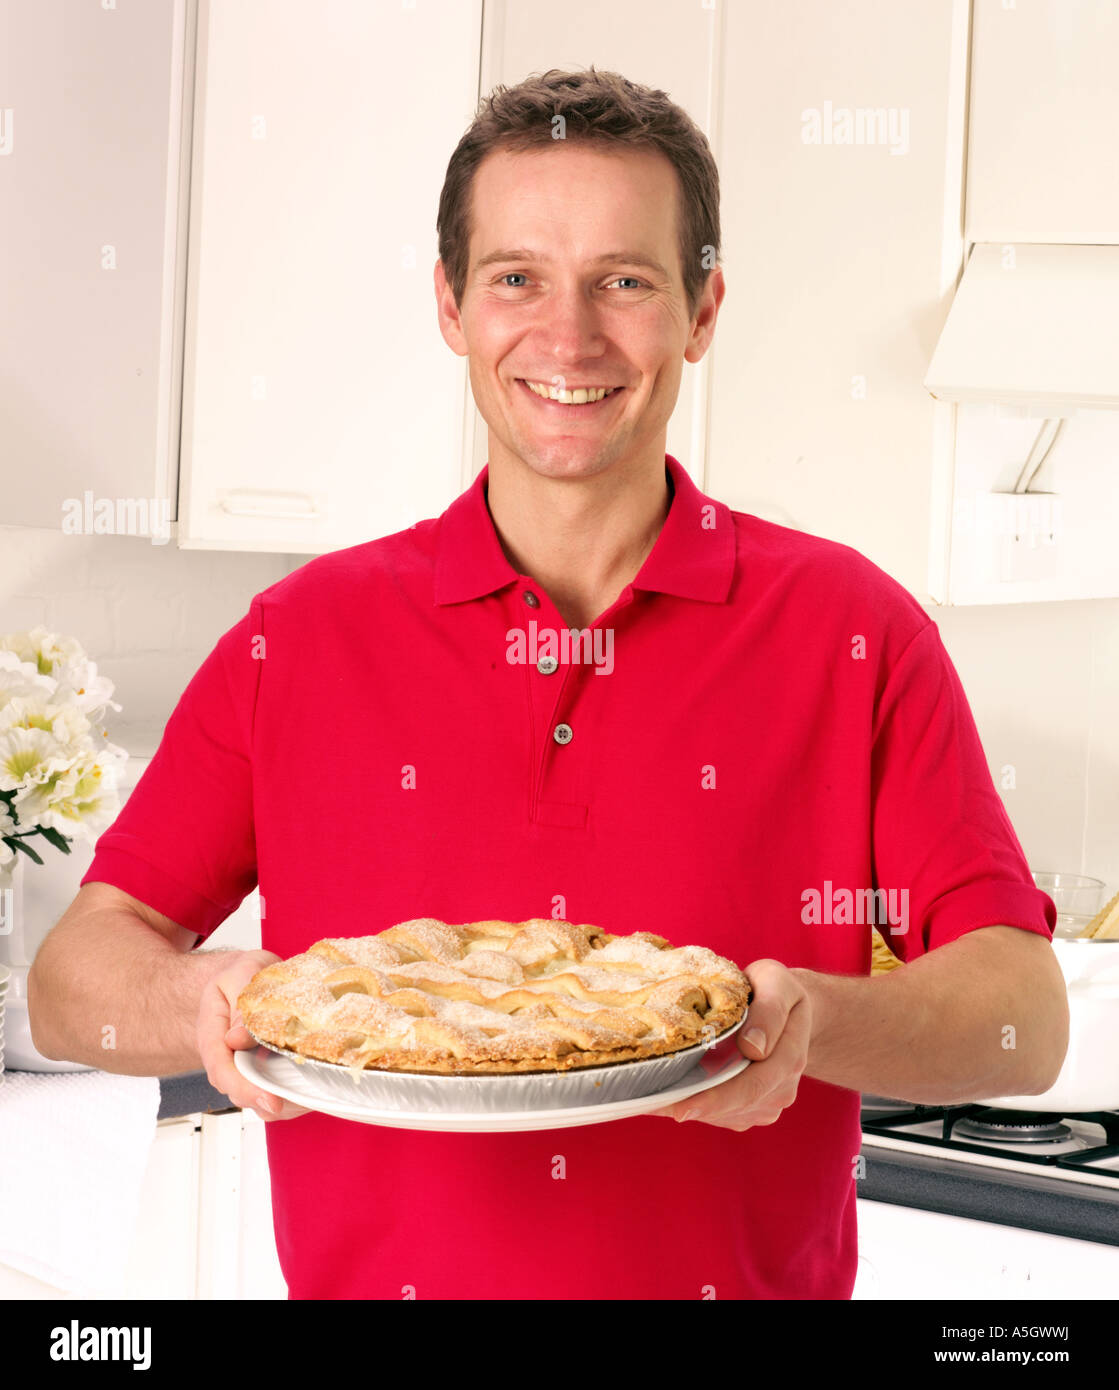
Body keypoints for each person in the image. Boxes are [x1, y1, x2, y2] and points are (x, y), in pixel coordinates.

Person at [29, 67, 1068, 1300]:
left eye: (624, 281)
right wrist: (198, 997)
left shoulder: (852, 629)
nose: (568, 336)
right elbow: (68, 988)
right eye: (516, 277)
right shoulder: (299, 636)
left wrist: (813, 1026)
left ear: (703, 309)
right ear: (450, 306)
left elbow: (1025, 1016)